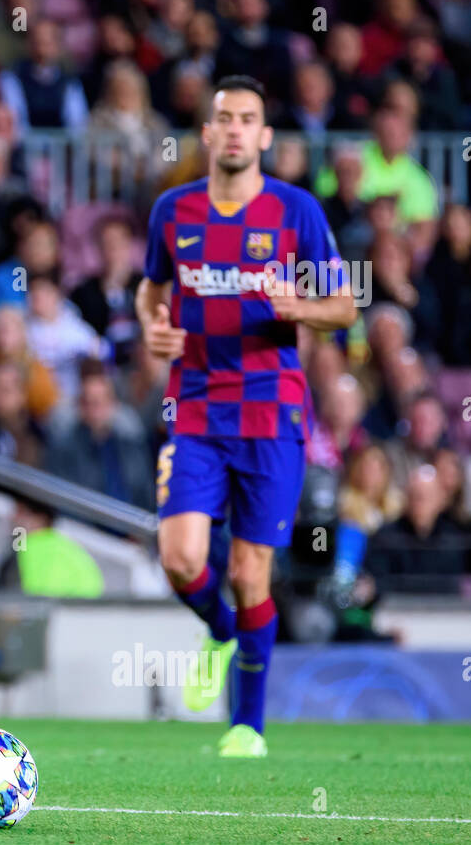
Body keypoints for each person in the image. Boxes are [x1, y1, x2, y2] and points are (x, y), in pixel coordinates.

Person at [137, 76, 358, 758]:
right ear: (207, 133)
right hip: (198, 407)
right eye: (224, 118)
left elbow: (345, 305)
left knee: (252, 570)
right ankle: (222, 629)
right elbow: (152, 292)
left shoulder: (295, 211)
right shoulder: (172, 211)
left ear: (264, 136)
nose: (234, 129)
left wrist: (300, 307)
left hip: (273, 413)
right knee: (179, 557)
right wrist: (152, 328)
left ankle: (248, 726)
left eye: (248, 119)